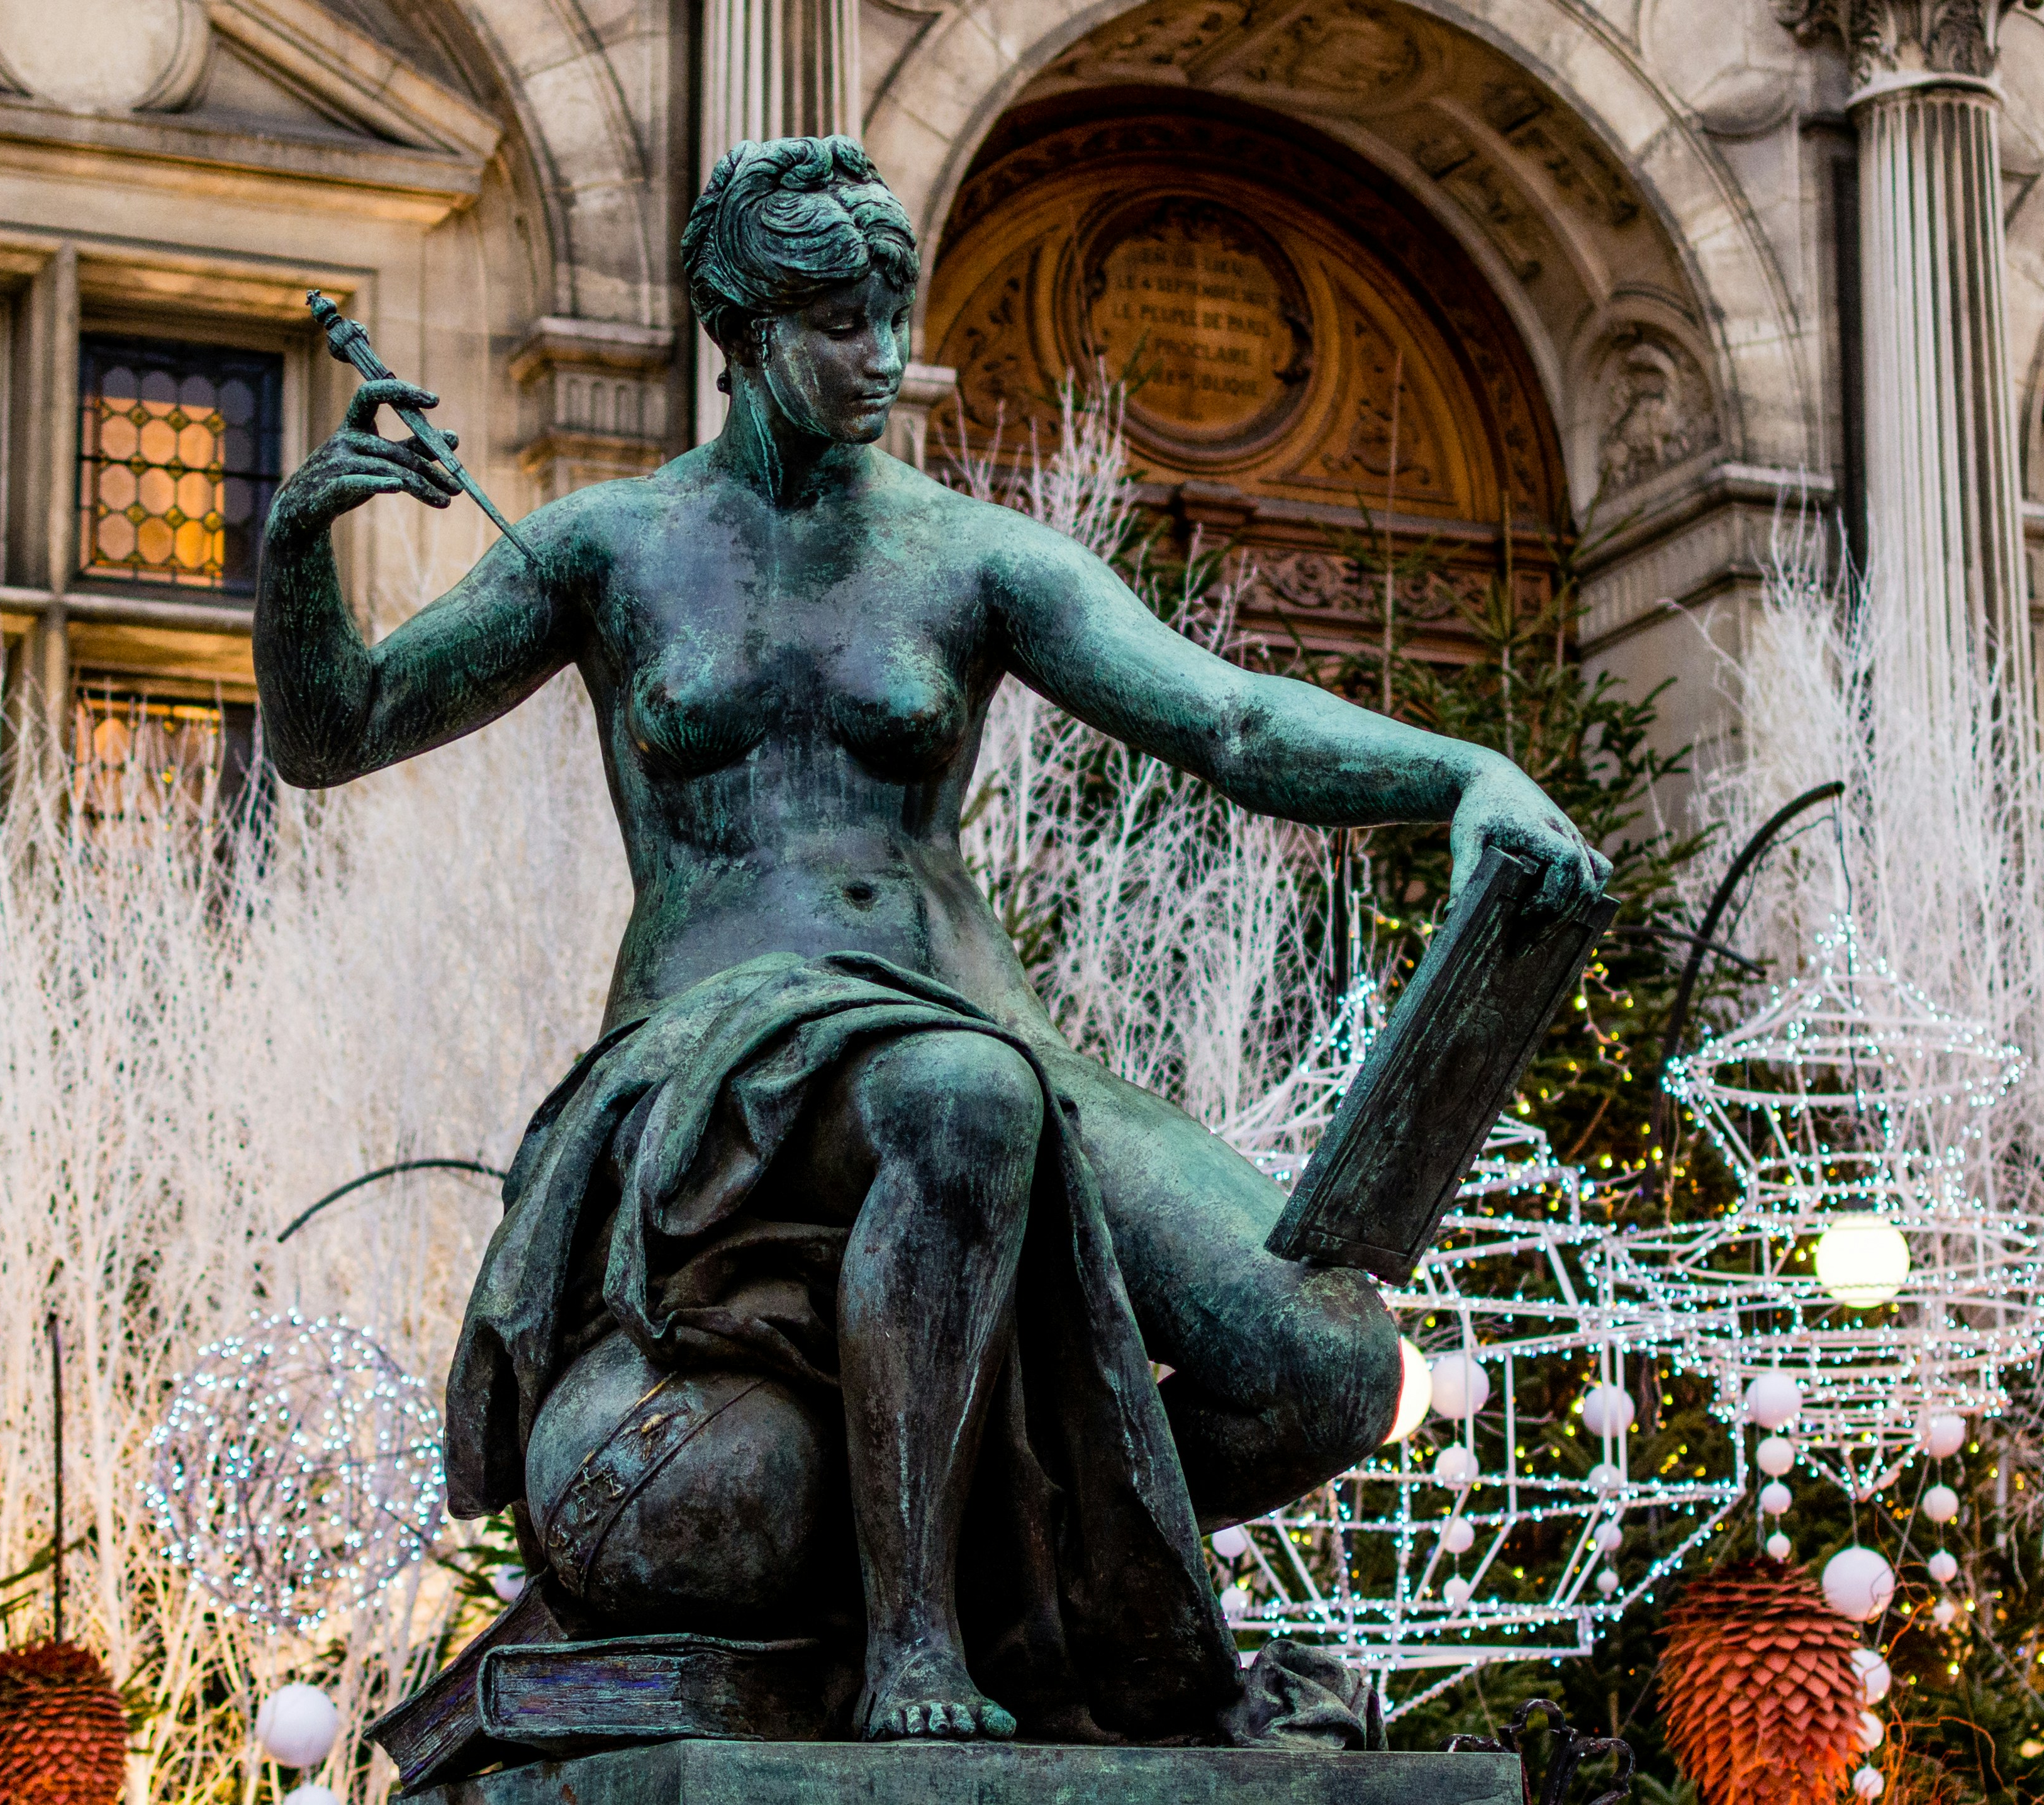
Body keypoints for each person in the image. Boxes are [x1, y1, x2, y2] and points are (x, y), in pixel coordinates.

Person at [255, 135, 1608, 1746]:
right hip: (720, 1042)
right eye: (837, 320)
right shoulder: (604, 550)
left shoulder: (974, 558)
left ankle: (1015, 1595)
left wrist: (1464, 773)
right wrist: (295, 554)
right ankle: (910, 1650)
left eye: (893, 312)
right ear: (741, 332)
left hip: (972, 1023)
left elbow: (1228, 720)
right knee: (958, 1101)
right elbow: (335, 732)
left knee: (1321, 1364)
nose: (882, 355)